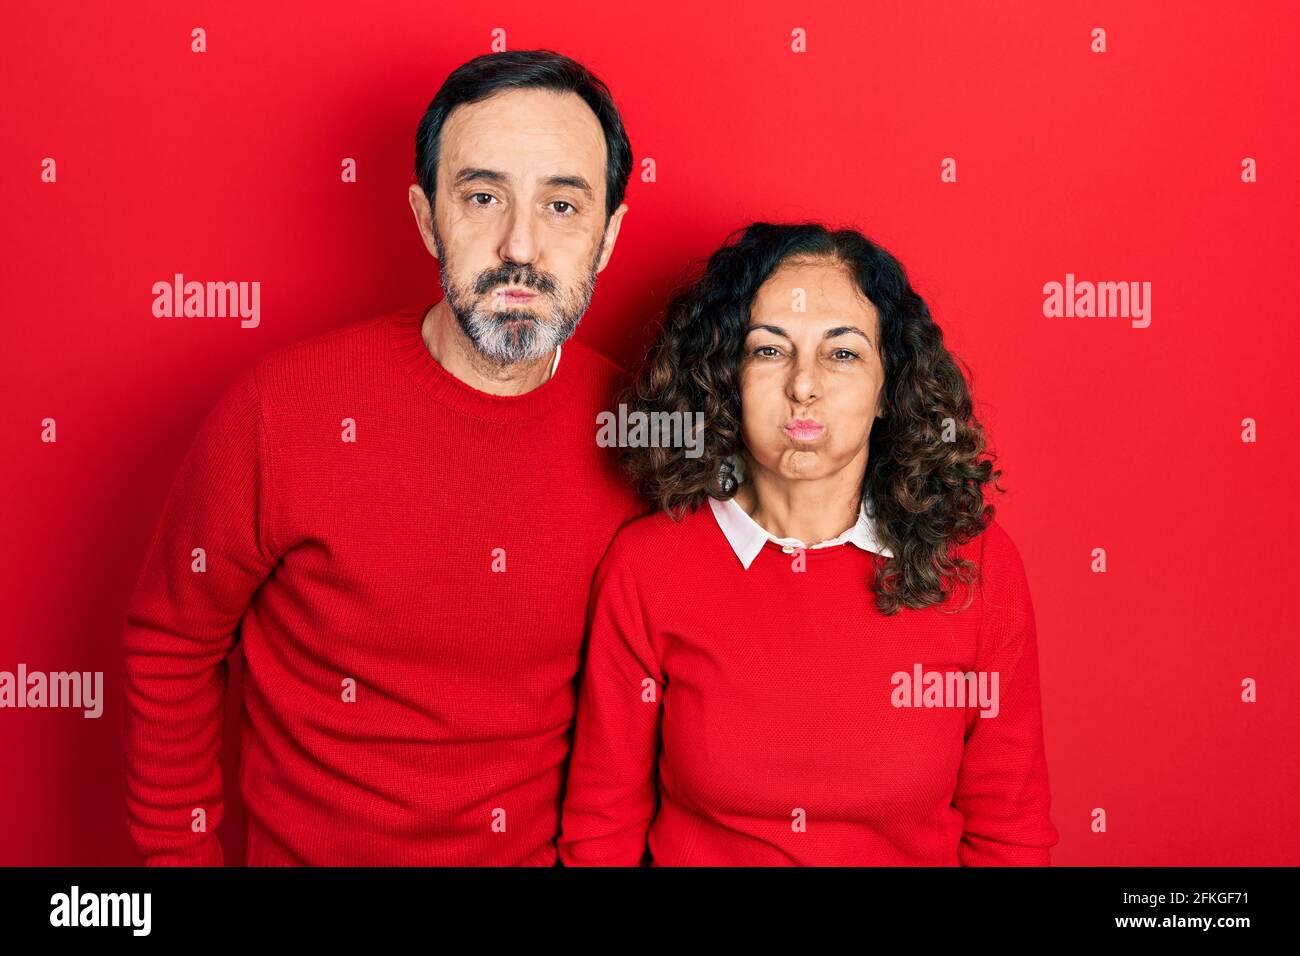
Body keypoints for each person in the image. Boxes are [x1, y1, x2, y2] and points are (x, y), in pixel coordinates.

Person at [121, 49, 644, 866]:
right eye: (481, 197)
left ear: (608, 236)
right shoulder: (280, 410)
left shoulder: (646, 436)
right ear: (426, 215)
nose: (520, 245)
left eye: (563, 205)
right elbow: (171, 645)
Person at [557, 222, 1060, 865]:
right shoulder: (649, 567)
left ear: (888, 388)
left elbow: (1009, 834)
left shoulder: (976, 569)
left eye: (842, 353)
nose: (803, 384)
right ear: (724, 379)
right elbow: (602, 832)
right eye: (769, 350)